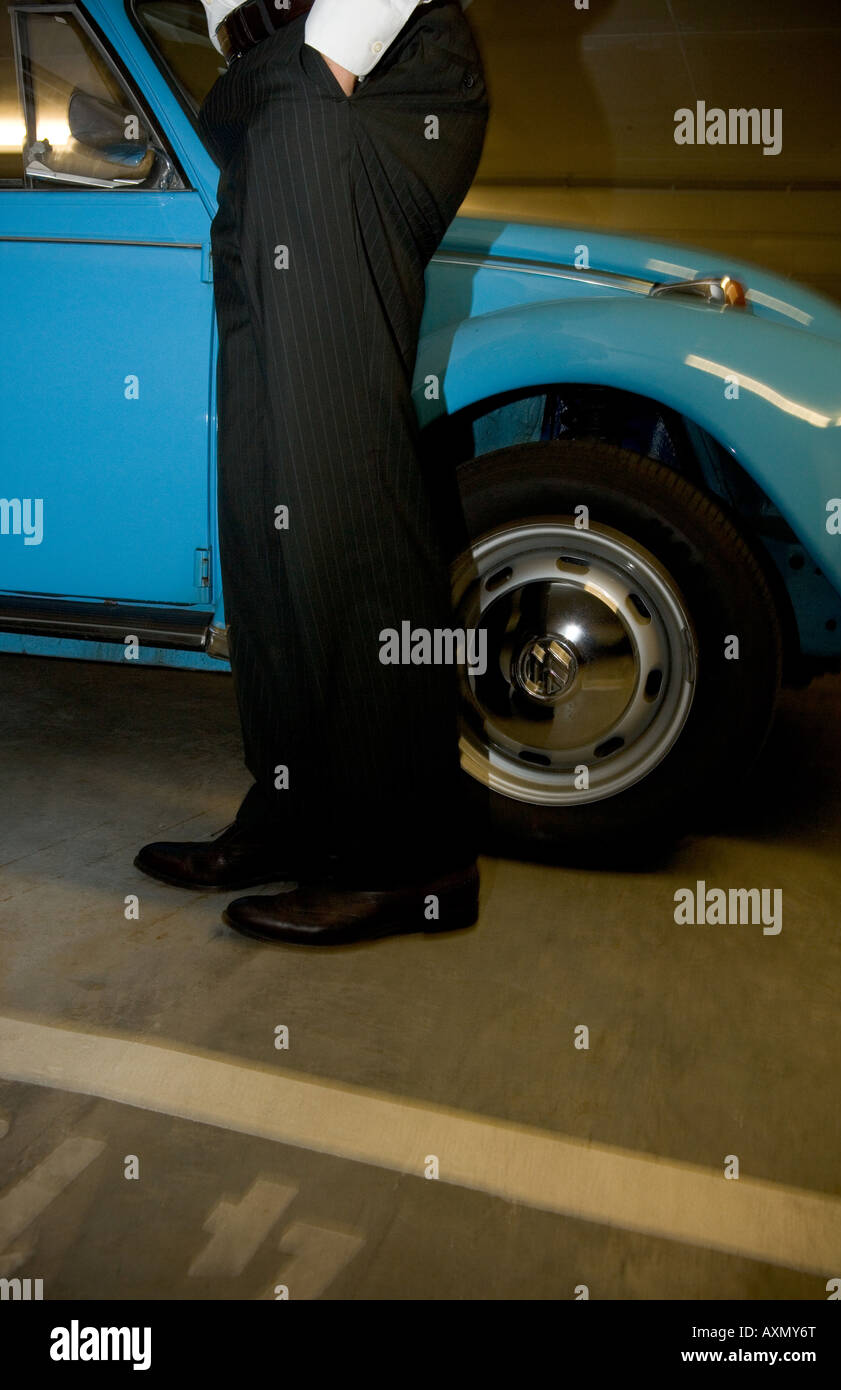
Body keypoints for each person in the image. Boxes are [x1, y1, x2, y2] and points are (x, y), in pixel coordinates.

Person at [134, 0, 489, 946]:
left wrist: (333, 46)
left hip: (353, 73)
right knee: (264, 489)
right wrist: (238, 35)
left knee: (341, 478)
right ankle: (300, 808)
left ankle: (408, 856)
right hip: (267, 90)